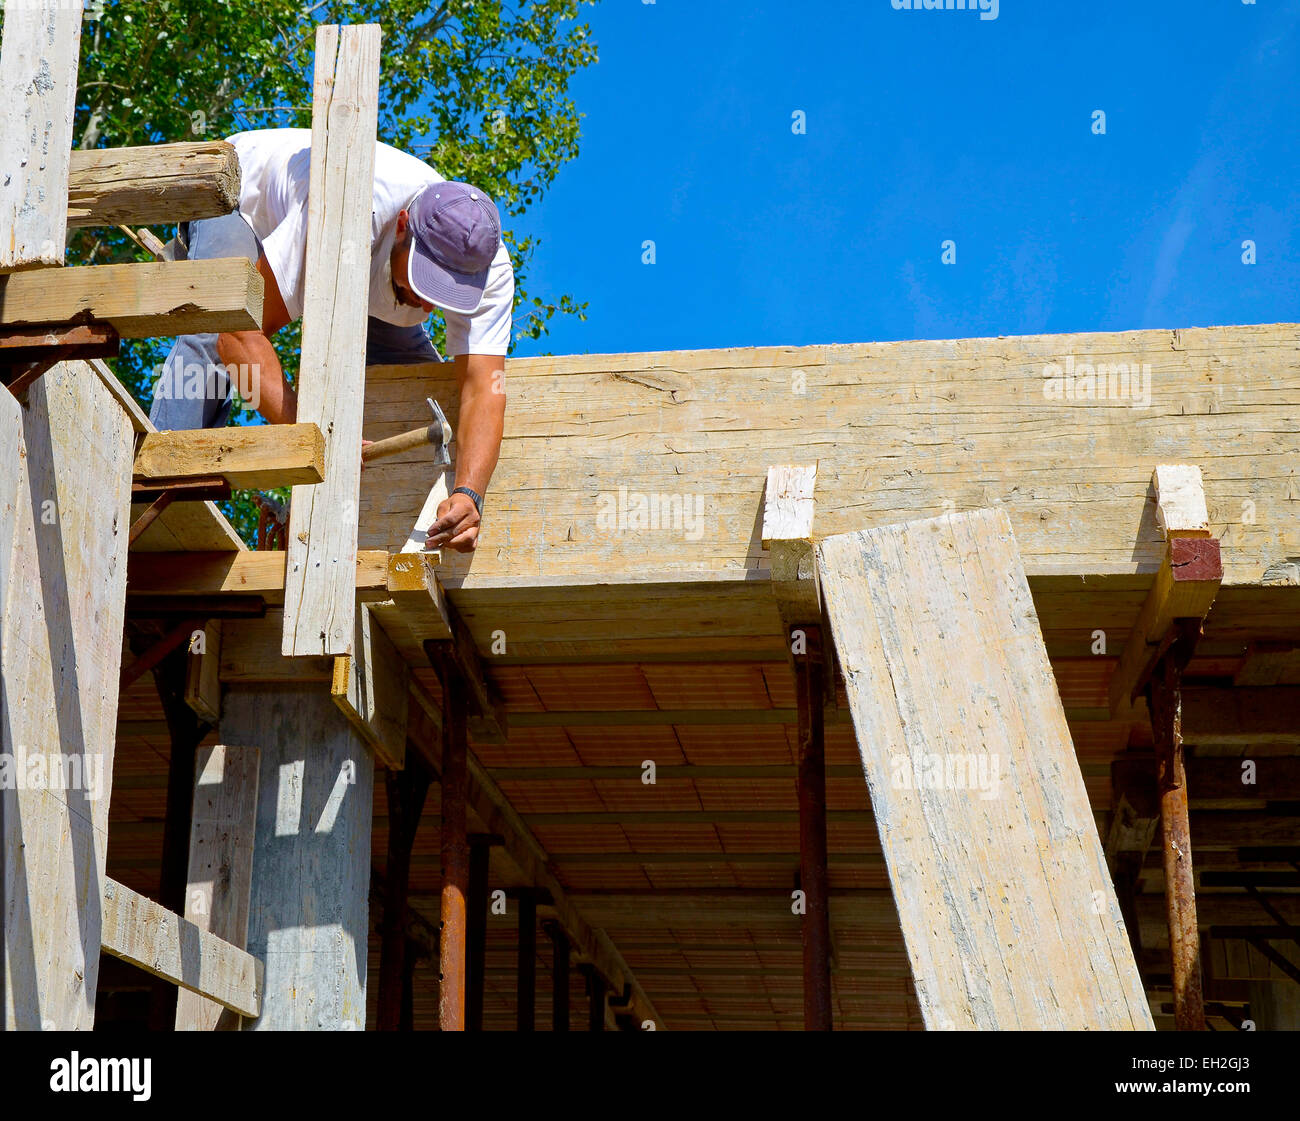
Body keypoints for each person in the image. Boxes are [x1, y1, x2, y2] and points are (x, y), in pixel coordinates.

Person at [150, 127, 511, 553]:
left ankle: (351, 538)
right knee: (212, 327)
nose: (425, 307)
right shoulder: (345, 215)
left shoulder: (488, 273)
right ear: (402, 228)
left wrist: (470, 494)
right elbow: (238, 336)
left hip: (357, 268)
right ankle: (160, 494)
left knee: (414, 389)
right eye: (419, 284)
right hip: (241, 198)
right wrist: (311, 439)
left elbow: (483, 391)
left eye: (441, 297)